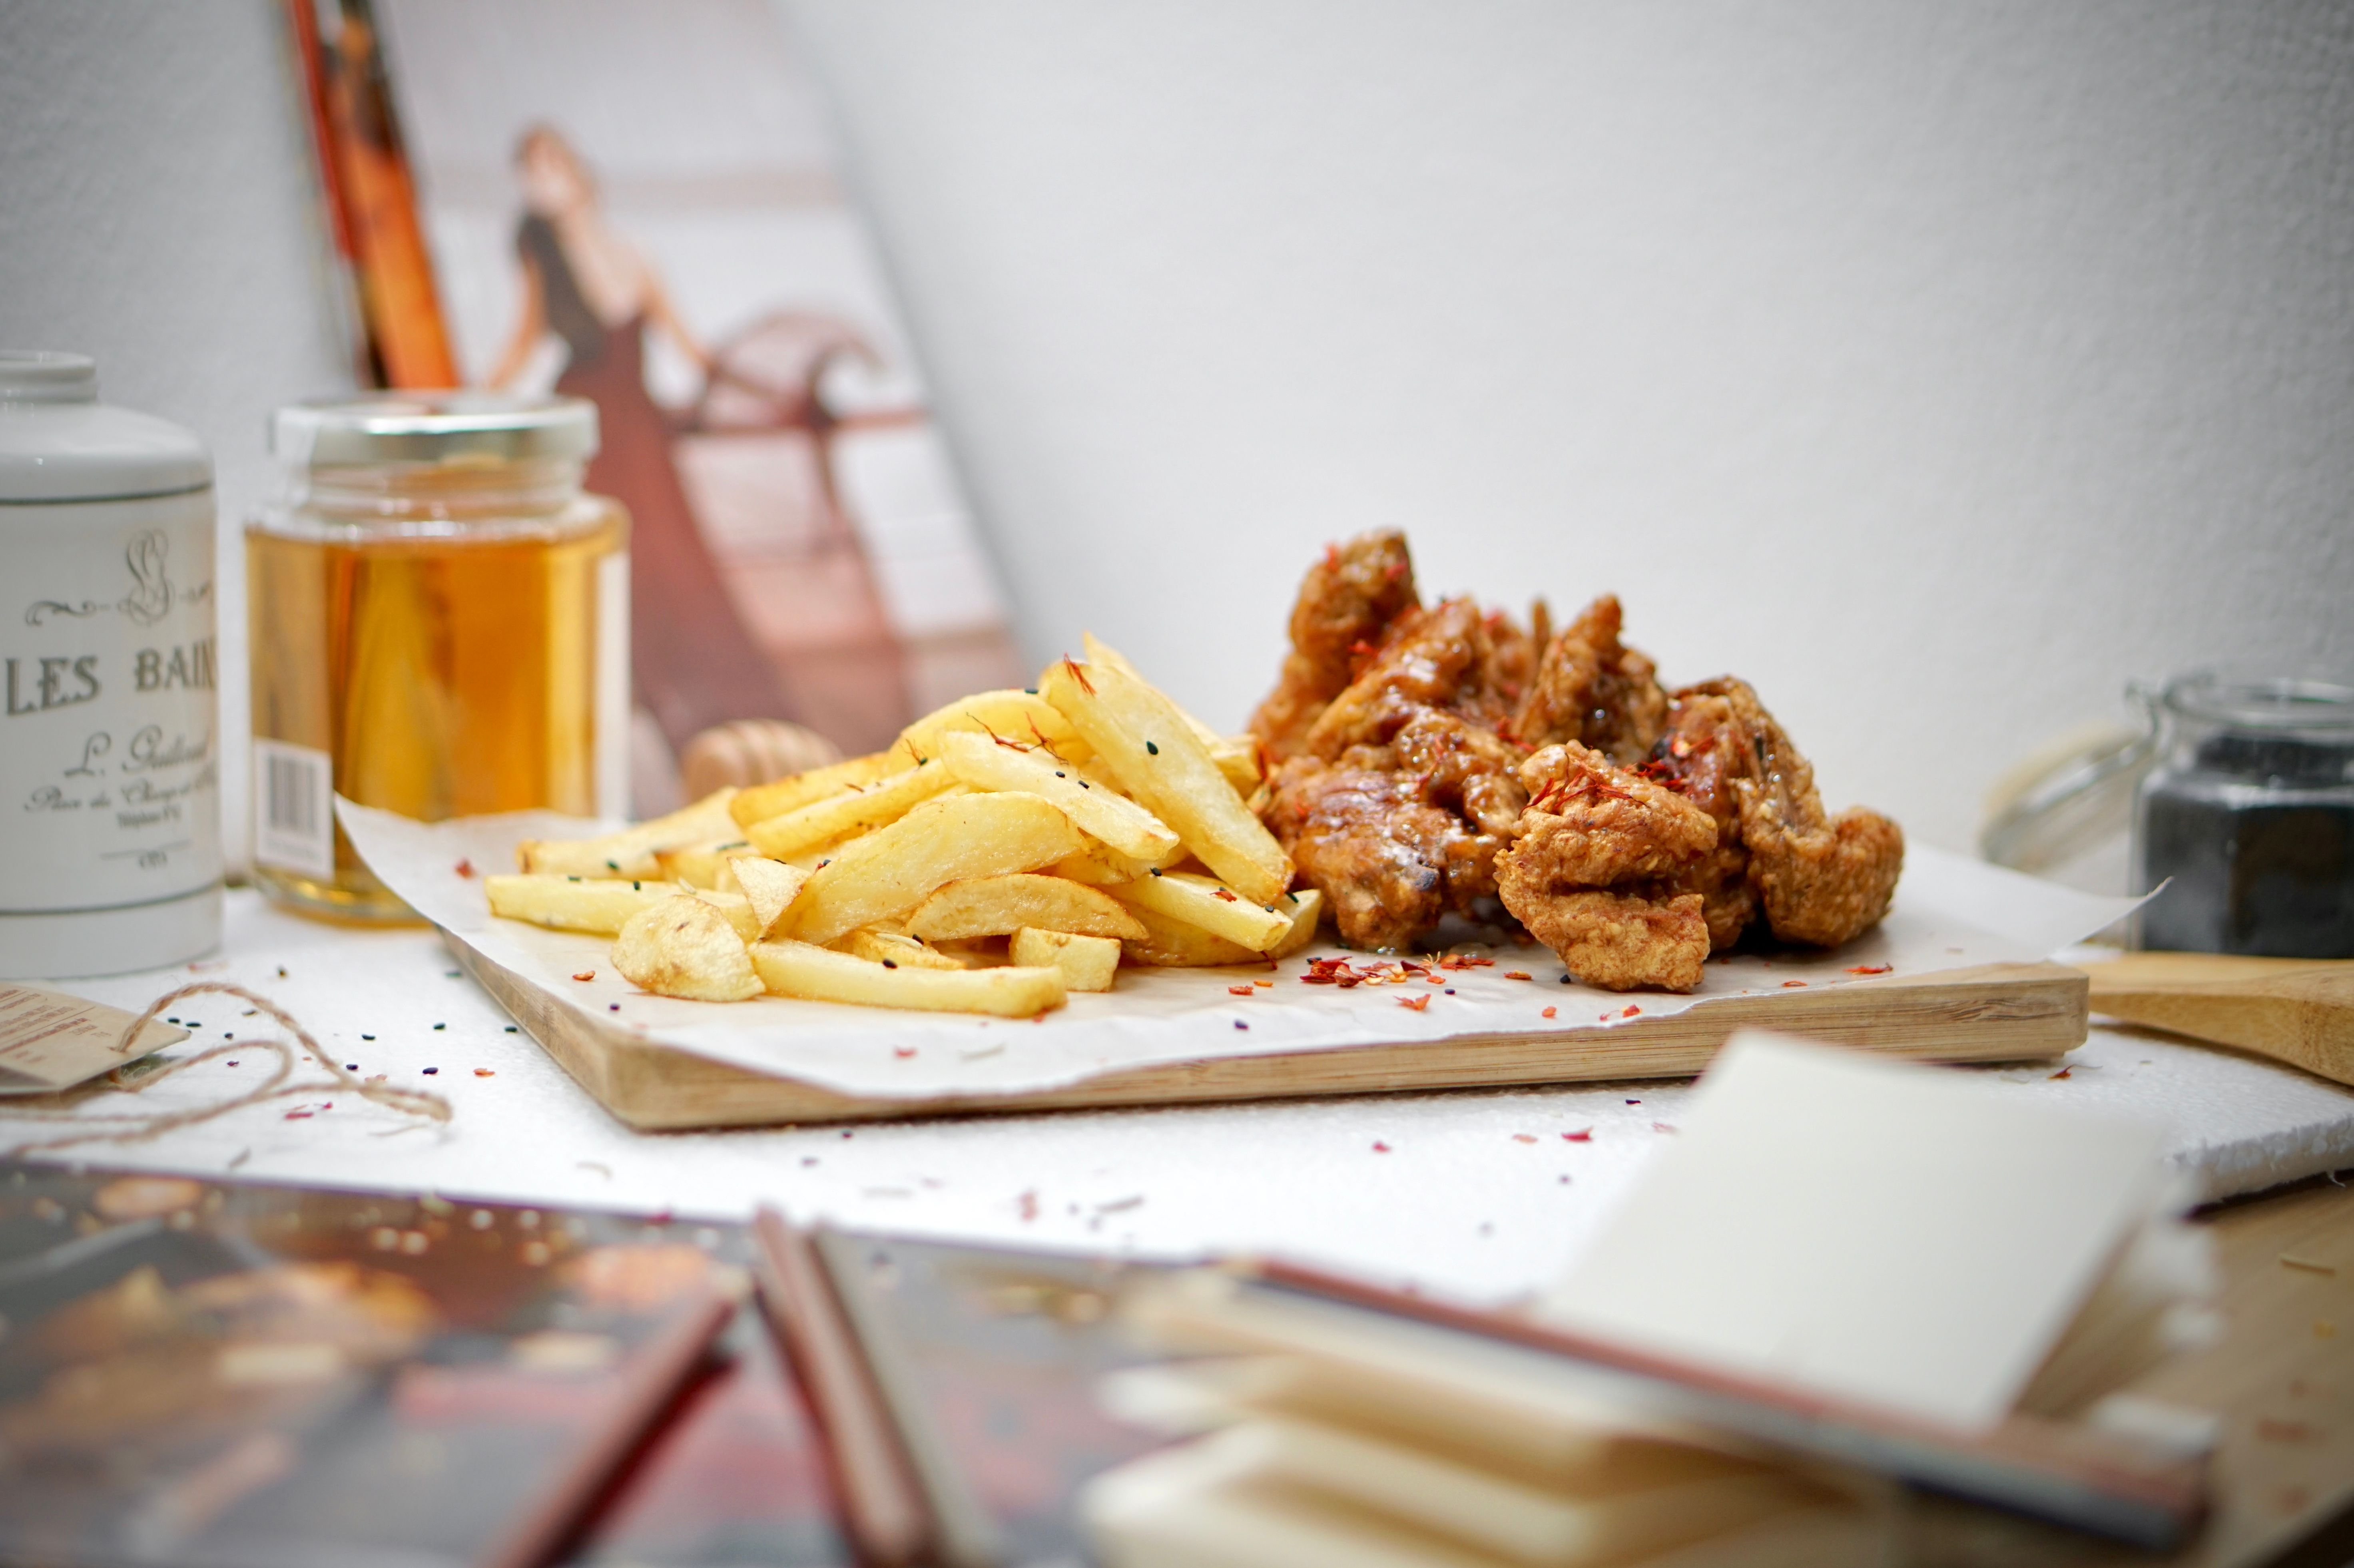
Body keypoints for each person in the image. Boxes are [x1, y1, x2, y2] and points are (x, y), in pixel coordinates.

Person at [487, 124, 796, 751]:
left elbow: (692, 350)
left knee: (673, 560)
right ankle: (626, 710)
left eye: (550, 164)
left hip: (640, 433)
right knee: (610, 561)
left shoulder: (632, 254)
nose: (541, 179)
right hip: (587, 431)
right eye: (531, 169)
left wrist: (773, 396)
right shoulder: (542, 255)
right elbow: (524, 340)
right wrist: (469, 403)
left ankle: (716, 712)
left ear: (578, 171)